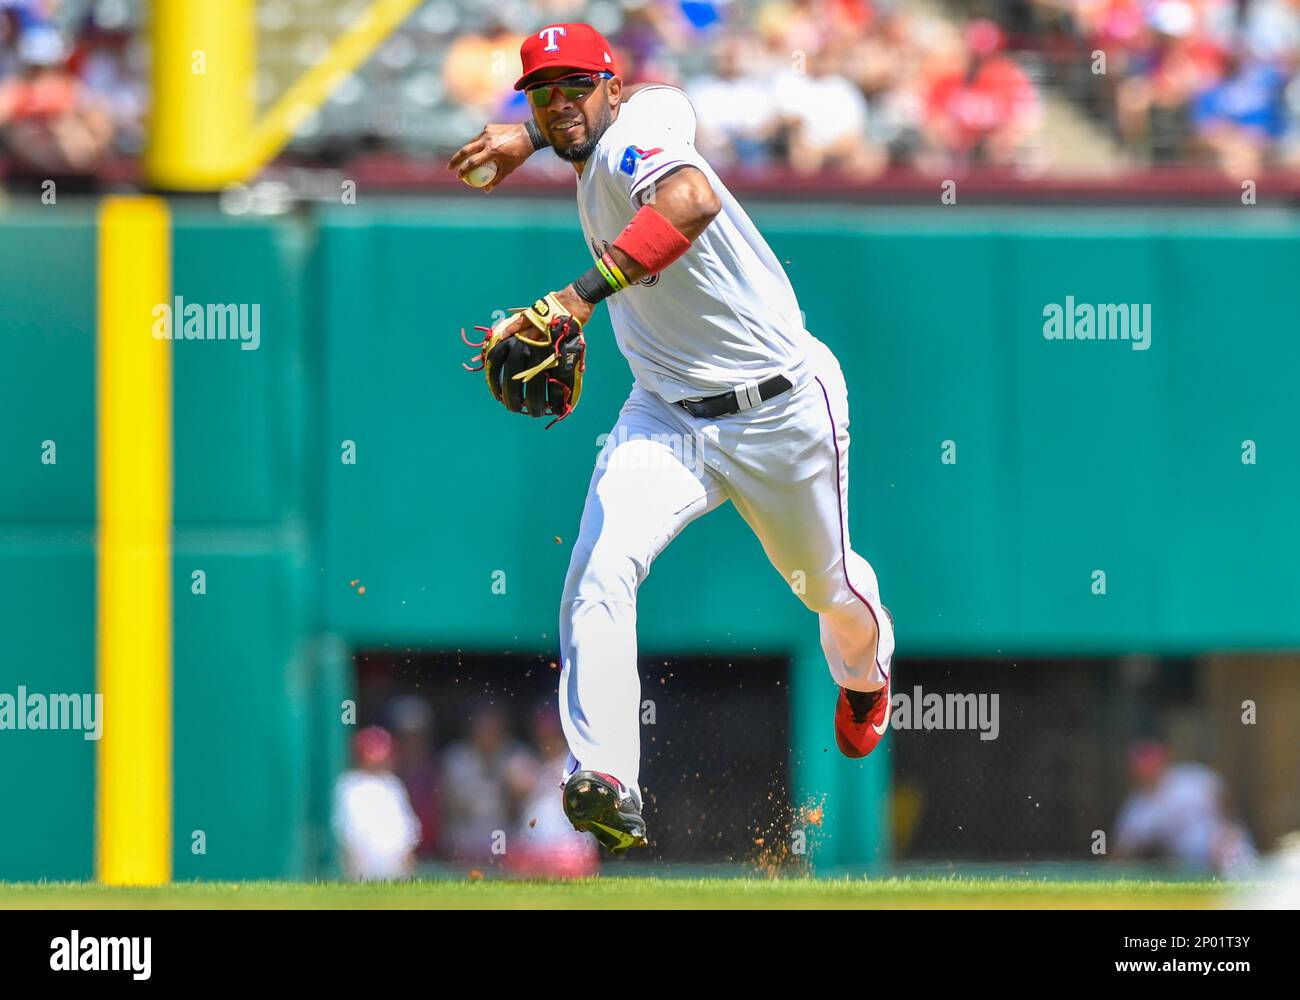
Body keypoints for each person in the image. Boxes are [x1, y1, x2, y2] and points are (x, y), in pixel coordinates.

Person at [448, 22, 895, 854]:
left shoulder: (634, 143)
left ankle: (866, 676)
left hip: (780, 411)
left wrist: (577, 298)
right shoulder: (633, 110)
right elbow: (587, 117)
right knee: (600, 568)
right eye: (543, 91)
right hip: (664, 414)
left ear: (611, 89)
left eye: (575, 86)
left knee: (827, 588)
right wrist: (529, 136)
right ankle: (608, 777)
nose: (560, 103)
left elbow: (689, 201)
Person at [1113, 740, 1258, 876]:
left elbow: (1225, 799)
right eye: (1143, 766)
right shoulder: (1137, 808)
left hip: (1224, 841)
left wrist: (1228, 828)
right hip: (1186, 863)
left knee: (1235, 855)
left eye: (1152, 763)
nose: (1149, 770)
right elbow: (1123, 851)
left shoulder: (1191, 777)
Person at [331, 726, 421, 880]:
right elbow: (347, 833)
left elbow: (407, 832)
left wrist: (408, 866)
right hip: (362, 868)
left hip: (395, 867)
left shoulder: (393, 784)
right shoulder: (349, 784)